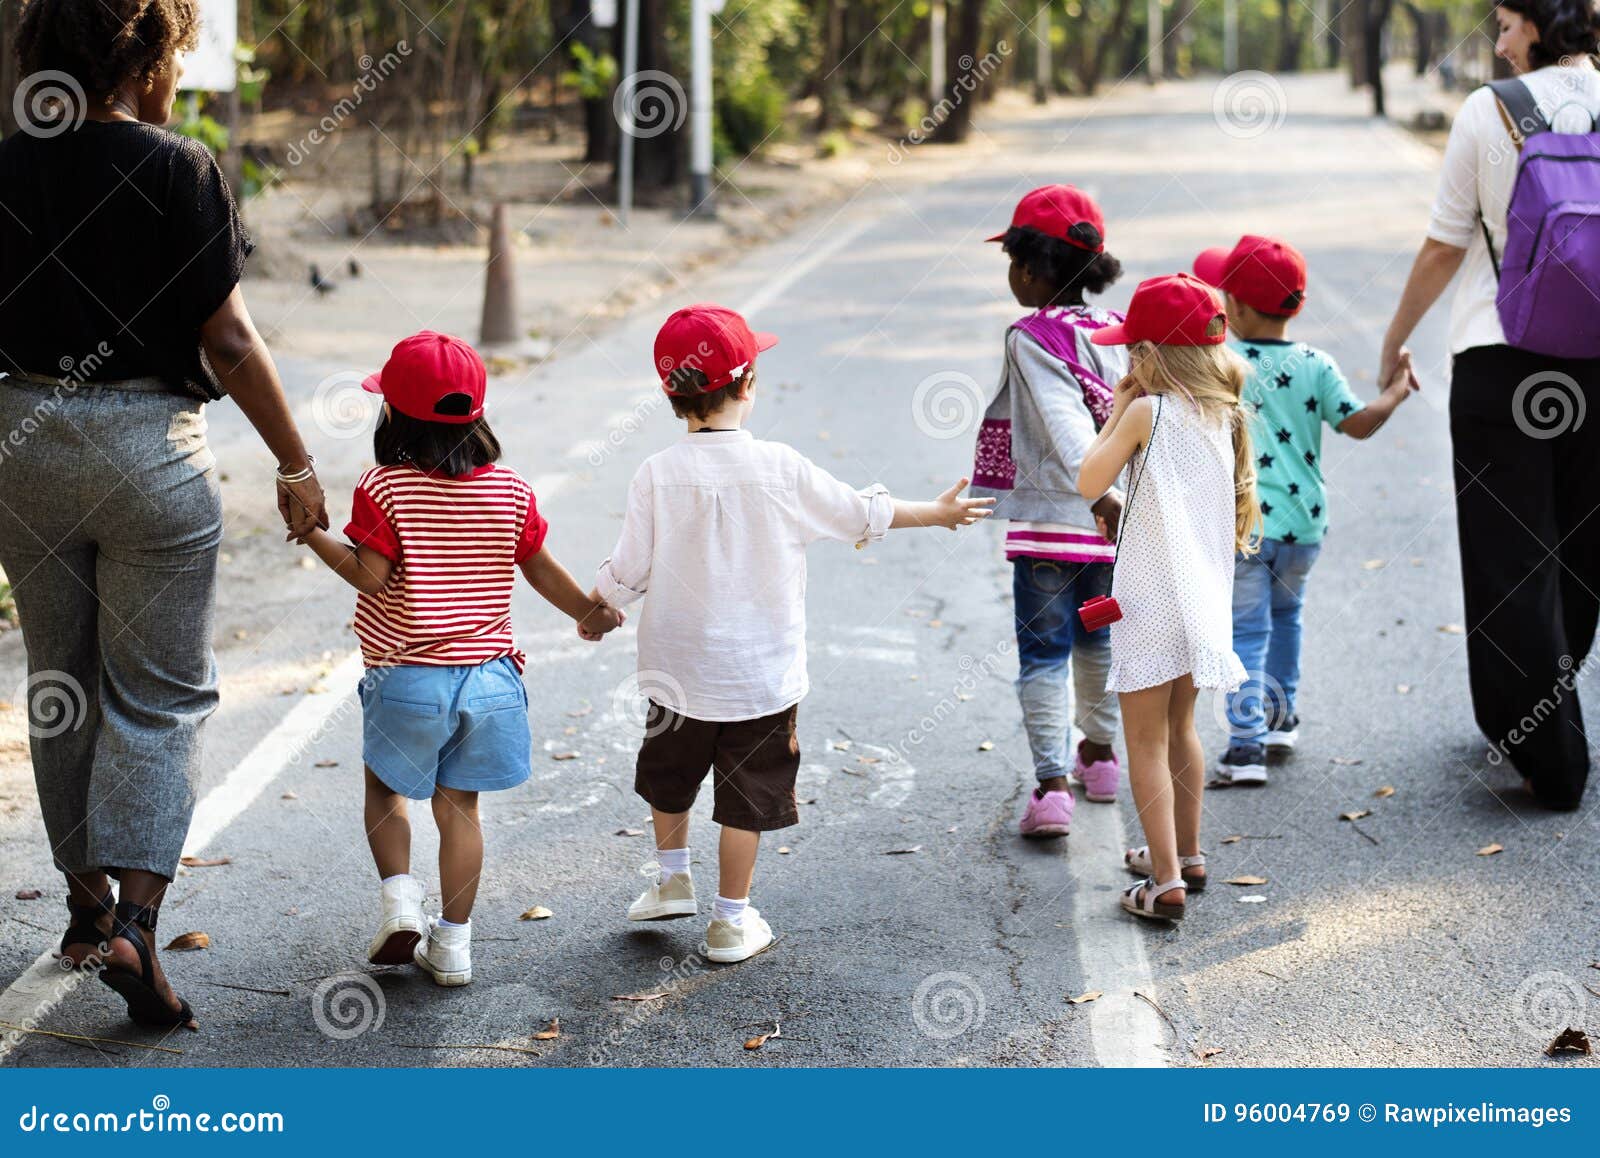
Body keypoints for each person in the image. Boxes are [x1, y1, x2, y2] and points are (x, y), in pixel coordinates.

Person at [0, 0, 328, 1030]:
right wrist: (296, 462)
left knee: (62, 682)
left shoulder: (4, 166)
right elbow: (226, 342)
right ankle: (138, 924)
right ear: (146, 58)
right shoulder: (177, 167)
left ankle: (85, 907)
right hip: (151, 450)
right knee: (160, 695)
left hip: (23, 441)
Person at [593, 304, 993, 962]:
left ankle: (670, 881)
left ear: (671, 393)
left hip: (677, 673)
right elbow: (859, 512)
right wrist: (940, 514)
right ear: (747, 384)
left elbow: (628, 572)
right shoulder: (781, 467)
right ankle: (729, 918)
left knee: (669, 776)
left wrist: (596, 605)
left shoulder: (656, 473)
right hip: (762, 678)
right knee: (746, 798)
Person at [298, 332, 622, 986]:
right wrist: (590, 613)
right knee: (461, 811)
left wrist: (312, 534)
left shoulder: (384, 488)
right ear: (478, 415)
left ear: (394, 416)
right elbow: (542, 572)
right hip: (491, 684)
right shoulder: (510, 490)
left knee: (386, 789)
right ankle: (453, 946)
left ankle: (399, 903)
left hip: (407, 680)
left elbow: (368, 576)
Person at [1379, 0, 1600, 810]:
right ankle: (1550, 708)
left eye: (1506, 26)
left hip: (1501, 356)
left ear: (1538, 27)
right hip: (1596, 364)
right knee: (1581, 544)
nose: (1499, 44)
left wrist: (1394, 336)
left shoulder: (1489, 110)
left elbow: (1444, 244)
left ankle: (1547, 747)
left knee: (1512, 555)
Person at [1193, 236, 1418, 786]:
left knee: (1245, 628)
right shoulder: (1317, 362)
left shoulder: (1222, 362)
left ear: (1237, 307)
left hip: (1244, 524)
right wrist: (1394, 392)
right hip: (1303, 526)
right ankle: (1278, 717)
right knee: (1286, 617)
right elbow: (1358, 424)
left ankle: (1244, 748)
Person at [1077, 274, 1256, 922]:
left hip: (1150, 604)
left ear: (1151, 356)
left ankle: (1165, 881)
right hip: (1203, 601)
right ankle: (1188, 851)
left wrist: (1116, 408)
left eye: (1132, 354)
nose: (1126, 364)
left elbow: (1087, 480)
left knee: (1145, 743)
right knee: (1184, 730)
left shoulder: (1146, 413)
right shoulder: (1224, 413)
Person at [971, 185, 1128, 838]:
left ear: (1035, 269)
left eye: (1012, 261)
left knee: (1041, 653)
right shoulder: (1114, 328)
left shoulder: (1029, 337)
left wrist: (1093, 490)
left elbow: (1066, 425)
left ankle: (1050, 788)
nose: (1010, 275)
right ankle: (1100, 759)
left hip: (1052, 530)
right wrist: (1115, 498)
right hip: (1111, 533)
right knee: (1098, 641)